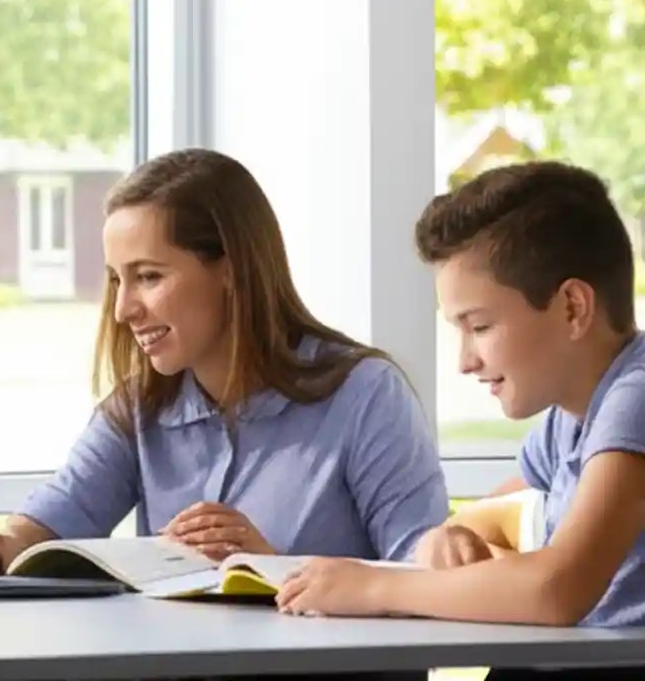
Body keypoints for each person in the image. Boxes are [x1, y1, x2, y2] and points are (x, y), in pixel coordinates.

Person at [0, 147, 446, 588]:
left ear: (231, 270)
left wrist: (271, 571)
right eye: (116, 281)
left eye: (148, 277)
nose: (123, 309)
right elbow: (52, 523)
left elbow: (424, 581)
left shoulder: (365, 395)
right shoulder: (139, 409)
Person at [276, 160, 645, 679]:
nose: (464, 361)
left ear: (572, 308)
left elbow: (556, 589)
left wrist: (371, 587)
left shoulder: (635, 398)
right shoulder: (574, 416)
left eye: (480, 326)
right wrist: (446, 539)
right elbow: (479, 517)